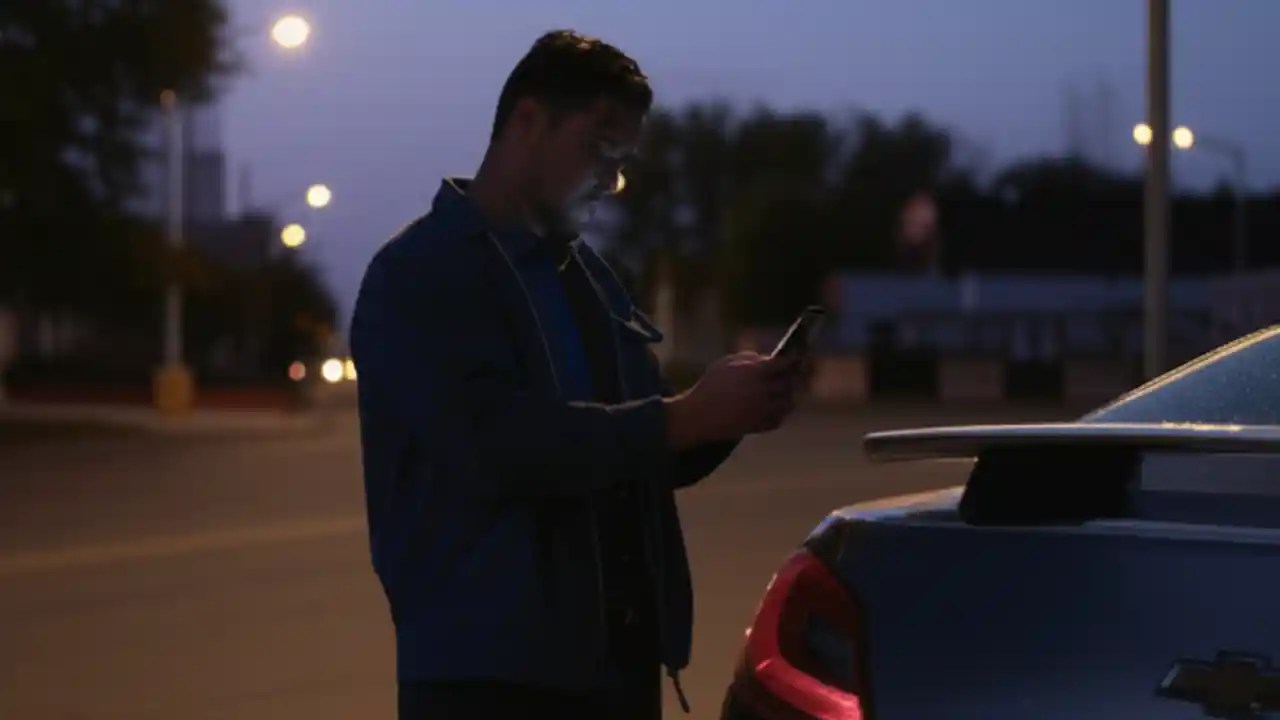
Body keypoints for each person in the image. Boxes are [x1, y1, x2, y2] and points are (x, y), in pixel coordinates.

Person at [350, 29, 804, 720]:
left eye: (622, 163)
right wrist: (683, 417)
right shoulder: (419, 274)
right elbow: (496, 447)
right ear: (527, 122)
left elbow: (644, 446)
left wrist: (730, 412)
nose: (611, 182)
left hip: (614, 670)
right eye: (599, 149)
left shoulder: (589, 279)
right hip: (483, 677)